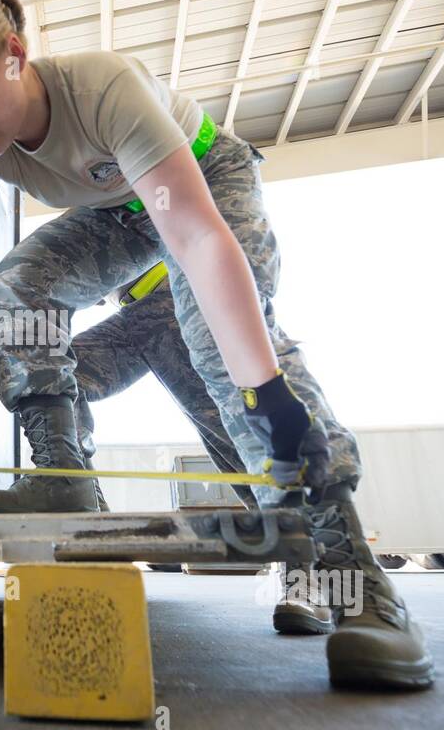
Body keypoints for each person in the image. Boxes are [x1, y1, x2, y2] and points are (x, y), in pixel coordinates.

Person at [0, 0, 432, 690]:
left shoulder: (102, 89)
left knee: (222, 349)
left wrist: (267, 387)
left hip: (203, 180)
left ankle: (359, 585)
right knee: (19, 282)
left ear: (14, 54)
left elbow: (193, 231)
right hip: (124, 213)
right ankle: (63, 477)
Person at [73, 261, 347, 636]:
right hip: (136, 317)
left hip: (188, 298)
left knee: (244, 436)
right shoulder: (80, 219)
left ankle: (307, 571)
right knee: (51, 374)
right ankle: (82, 498)